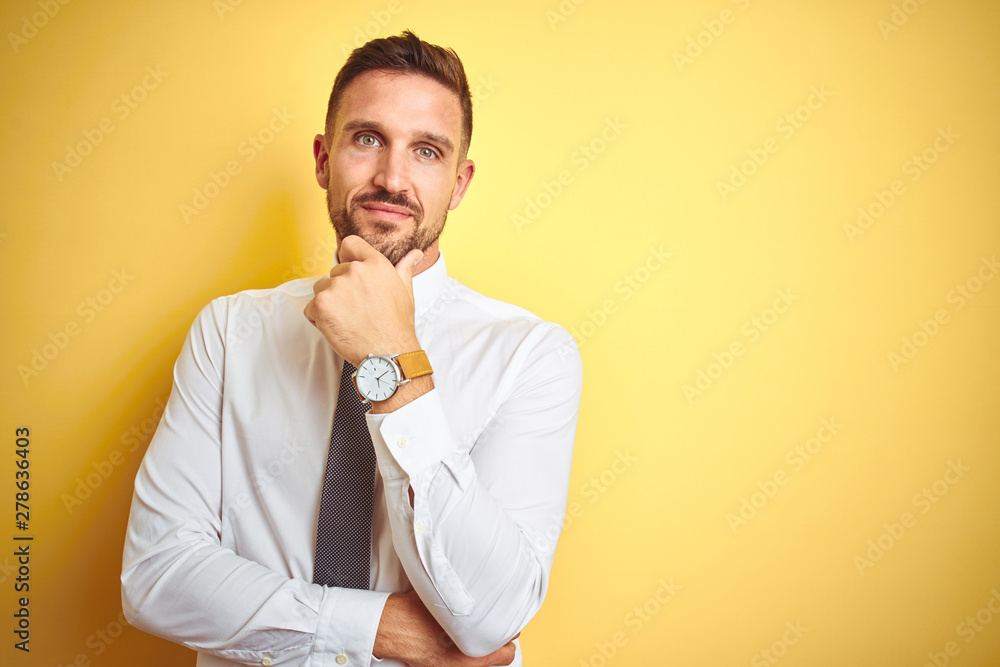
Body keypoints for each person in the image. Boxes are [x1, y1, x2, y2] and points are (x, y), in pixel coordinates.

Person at [121, 30, 582, 667]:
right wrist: (376, 630)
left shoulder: (531, 356)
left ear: (460, 181)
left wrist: (392, 357)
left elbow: (494, 615)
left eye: (426, 150)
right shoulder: (229, 333)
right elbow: (156, 578)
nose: (392, 178)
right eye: (368, 139)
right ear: (322, 159)